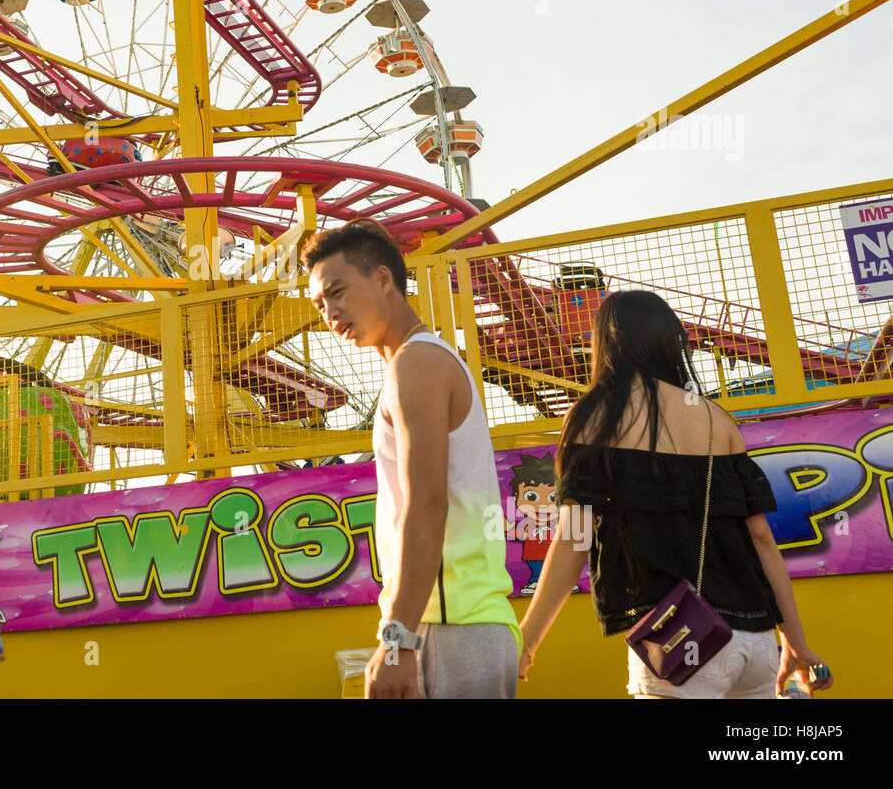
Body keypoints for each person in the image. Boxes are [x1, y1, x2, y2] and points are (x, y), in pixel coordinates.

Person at [517, 290, 832, 698]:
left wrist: (528, 640)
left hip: (681, 639)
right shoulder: (718, 420)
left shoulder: (597, 417)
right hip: (756, 643)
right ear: (670, 341)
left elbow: (575, 539)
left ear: (606, 343)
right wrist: (796, 641)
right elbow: (760, 540)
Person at [302, 220, 520, 699]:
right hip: (462, 624)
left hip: (446, 626)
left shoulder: (415, 363)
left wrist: (398, 640)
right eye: (320, 304)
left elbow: (426, 504)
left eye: (338, 292)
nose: (330, 312)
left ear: (384, 280)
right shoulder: (428, 357)